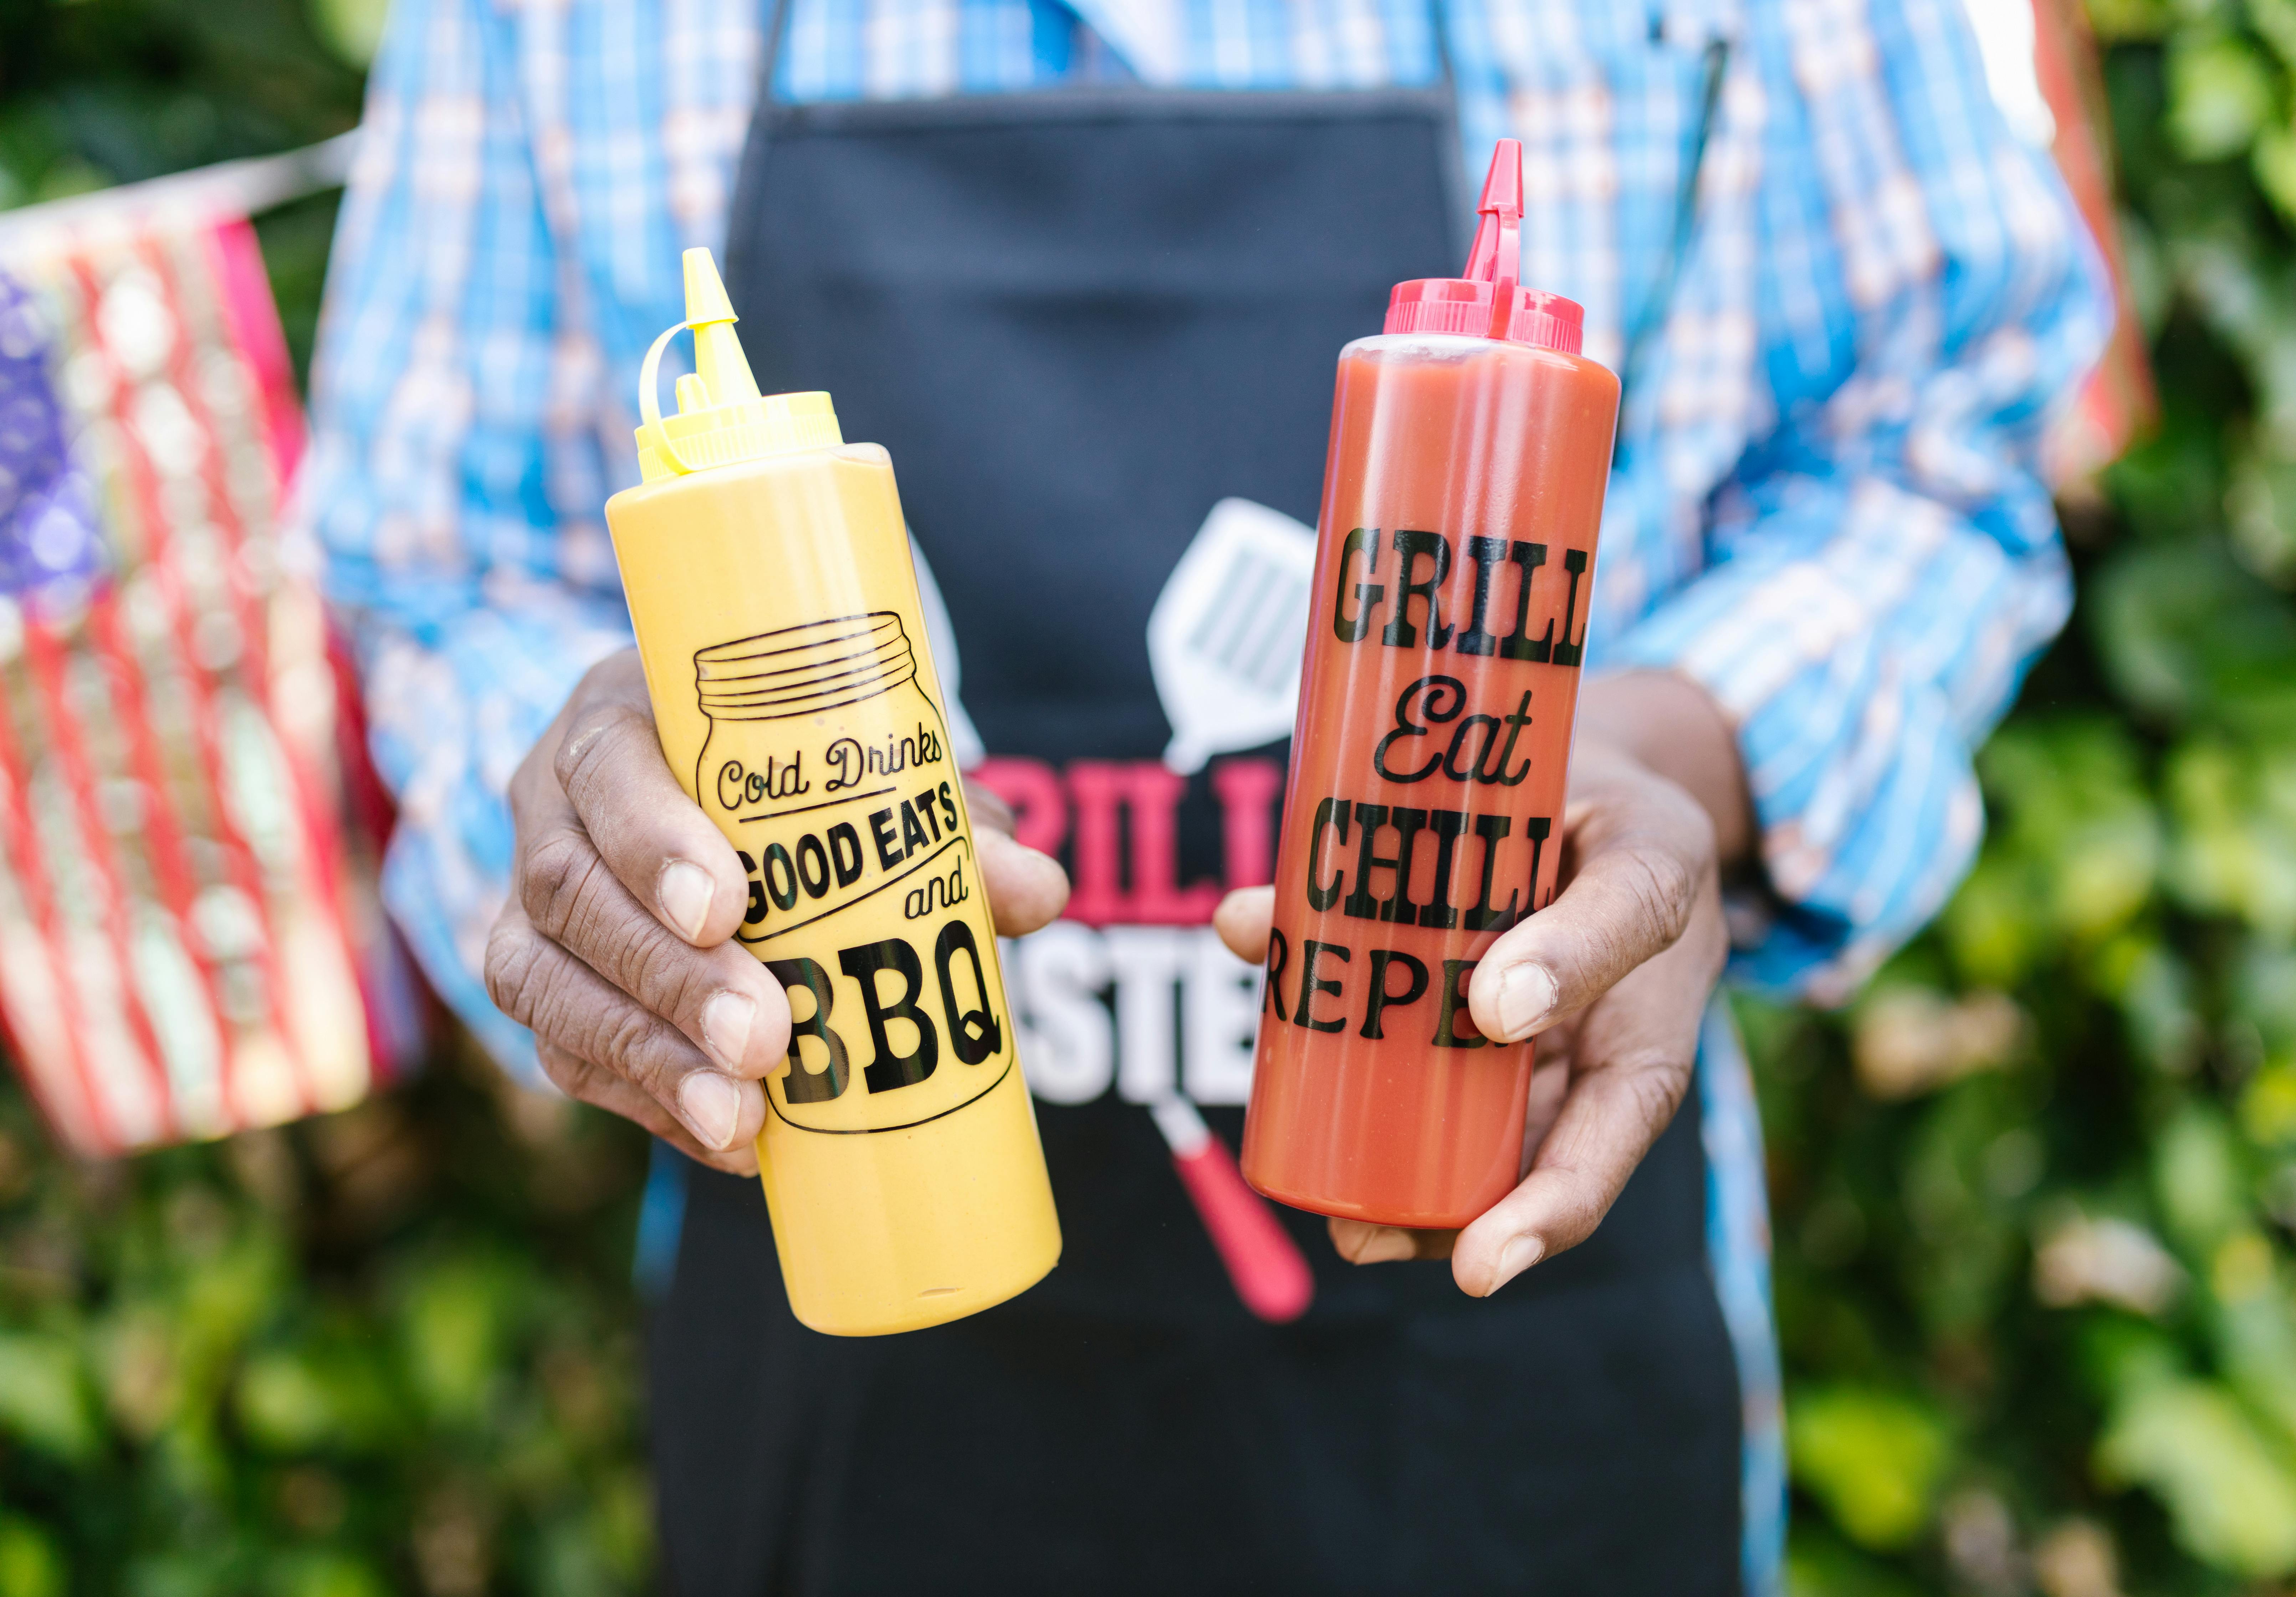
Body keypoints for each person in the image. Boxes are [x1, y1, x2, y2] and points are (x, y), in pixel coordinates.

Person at [307, 1, 2106, 1591]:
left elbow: (1947, 445)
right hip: (856, 1432)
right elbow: (438, 570)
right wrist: (594, 844)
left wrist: (1680, 742)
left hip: (1524, 1409)